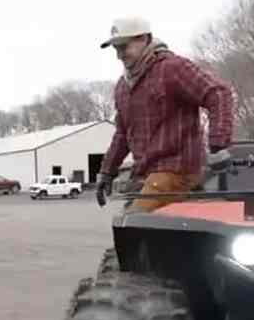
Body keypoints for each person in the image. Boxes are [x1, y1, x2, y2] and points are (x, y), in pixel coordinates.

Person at [94, 17, 235, 211]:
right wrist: (106, 172)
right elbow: (122, 135)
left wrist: (218, 144)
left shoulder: (171, 68)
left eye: (123, 47)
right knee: (128, 228)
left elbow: (217, 93)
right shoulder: (122, 87)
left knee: (135, 220)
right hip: (145, 175)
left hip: (177, 169)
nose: (119, 55)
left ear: (143, 39)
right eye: (116, 49)